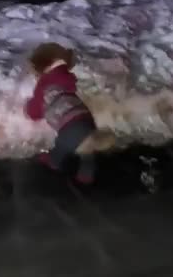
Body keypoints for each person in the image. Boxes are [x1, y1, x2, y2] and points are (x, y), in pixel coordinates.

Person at [24, 42, 112, 185]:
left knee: (62, 147)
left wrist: (28, 108)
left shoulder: (44, 84)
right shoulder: (66, 77)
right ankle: (86, 174)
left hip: (69, 127)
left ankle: (54, 161)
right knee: (88, 148)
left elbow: (35, 113)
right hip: (86, 118)